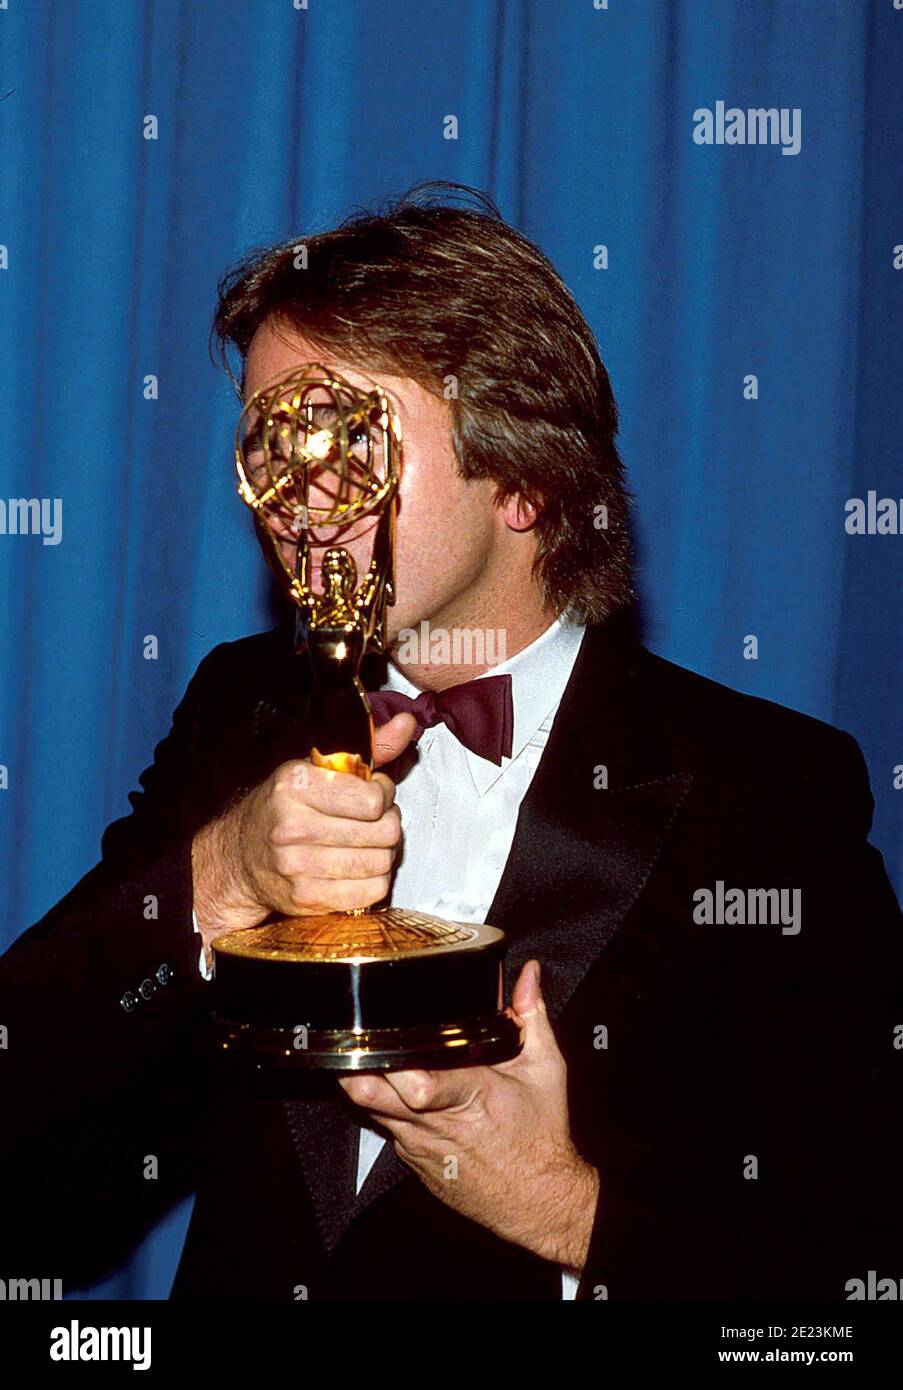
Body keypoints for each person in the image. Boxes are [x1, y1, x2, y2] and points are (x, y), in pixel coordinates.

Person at [2, 184, 901, 1301]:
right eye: (273, 444)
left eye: (351, 435)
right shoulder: (240, 712)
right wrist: (218, 877)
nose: (299, 499)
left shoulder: (765, 794)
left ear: (523, 480)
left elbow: (851, 1289)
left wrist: (565, 1208)